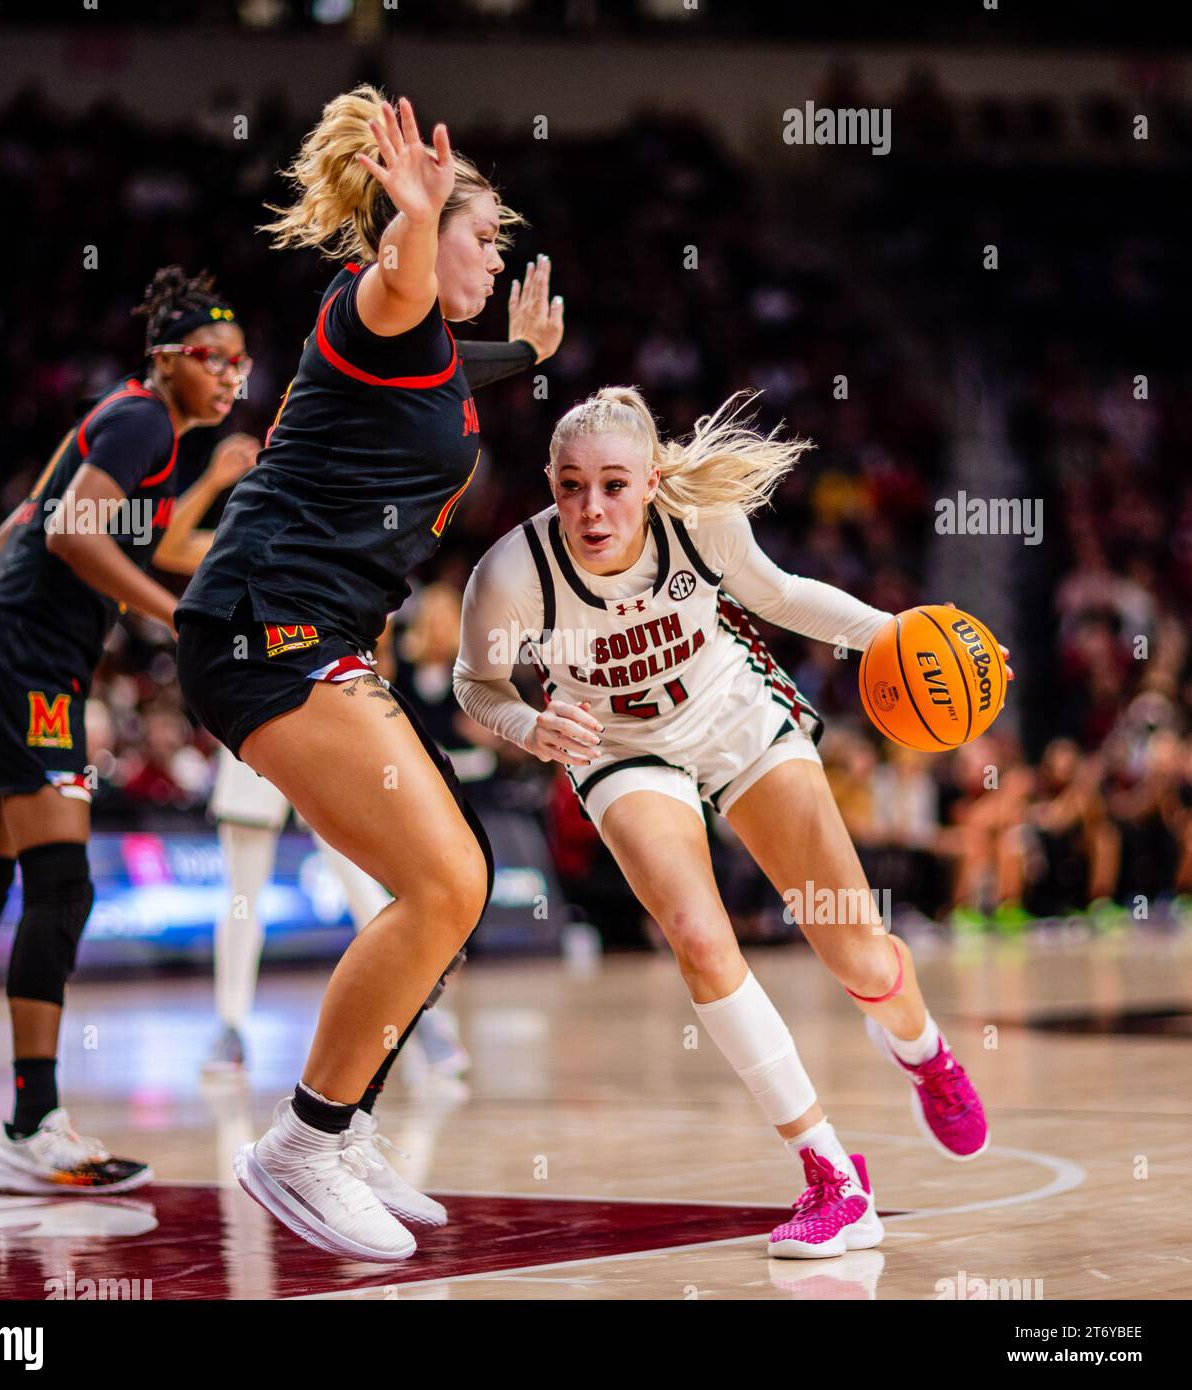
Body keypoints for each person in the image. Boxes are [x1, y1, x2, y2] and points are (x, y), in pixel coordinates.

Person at [454, 385, 1010, 1257]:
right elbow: (476, 687)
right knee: (699, 937)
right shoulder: (511, 576)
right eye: (570, 486)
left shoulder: (700, 520)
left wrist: (907, 634)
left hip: (732, 713)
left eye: (613, 485)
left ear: (650, 481)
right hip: (616, 742)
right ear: (550, 485)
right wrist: (530, 724)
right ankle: (832, 1175)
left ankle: (925, 1050)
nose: (591, 508)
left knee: (857, 950)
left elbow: (781, 596)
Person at [173, 88, 563, 1260]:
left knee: (452, 881)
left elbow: (454, 361)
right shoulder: (371, 303)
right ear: (422, 229)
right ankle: (301, 1141)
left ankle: (338, 1131)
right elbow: (398, 288)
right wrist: (410, 217)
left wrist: (529, 353)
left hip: (313, 633)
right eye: (481, 233)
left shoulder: (434, 355)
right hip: (264, 627)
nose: (497, 254)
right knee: (444, 884)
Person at [0, 267, 258, 1194]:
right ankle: (31, 1123)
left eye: (241, 366)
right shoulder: (138, 419)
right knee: (60, 887)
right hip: (23, 661)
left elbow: (42, 518)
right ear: (167, 358)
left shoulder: (137, 428)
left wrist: (211, 488)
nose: (228, 378)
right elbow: (68, 534)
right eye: (213, 360)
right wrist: (168, 615)